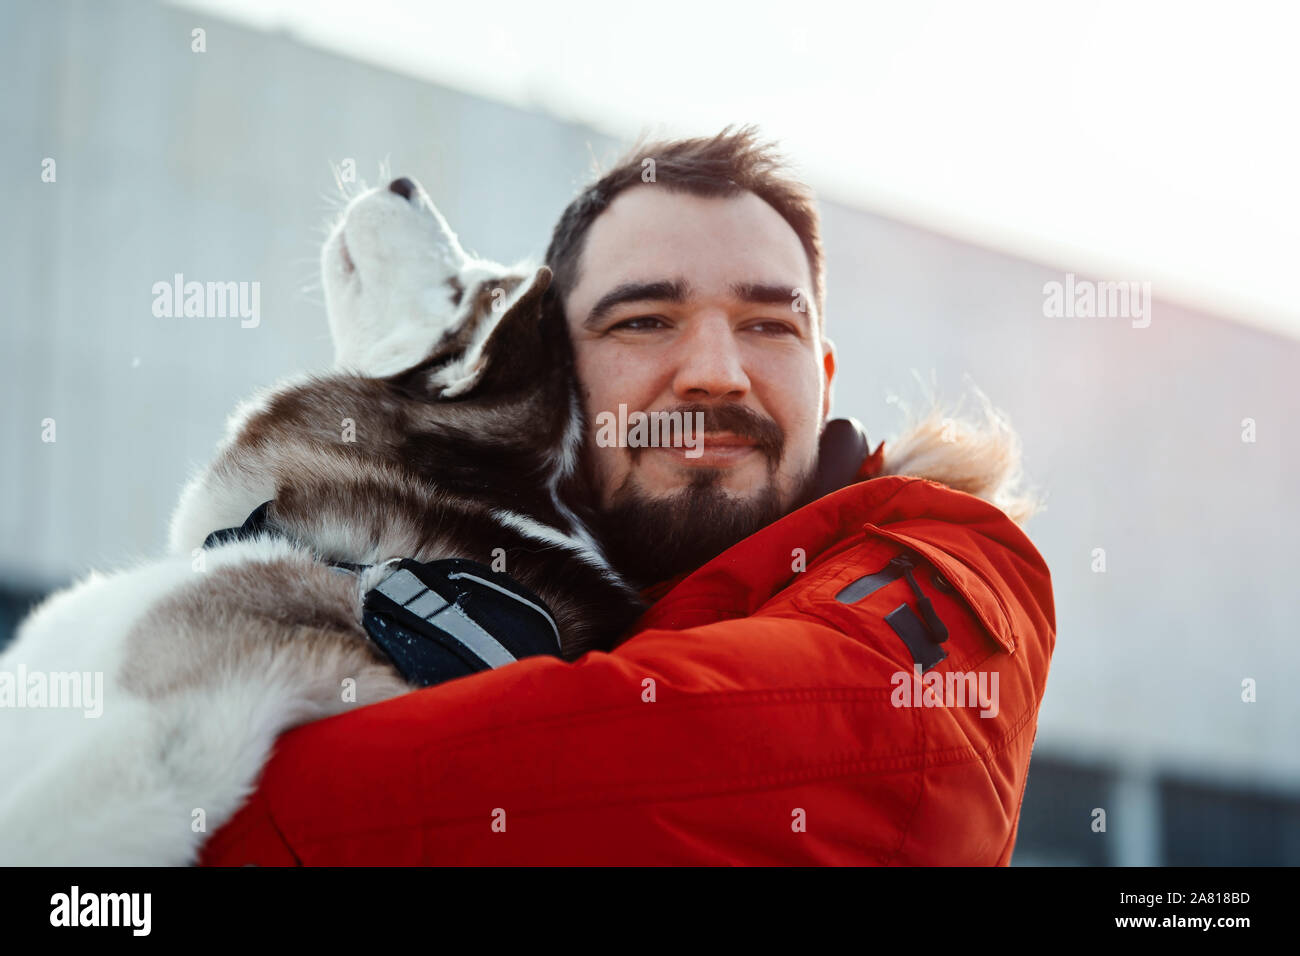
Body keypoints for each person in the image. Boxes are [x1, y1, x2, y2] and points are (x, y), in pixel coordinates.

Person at [200, 126, 1056, 865]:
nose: (717, 374)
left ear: (823, 381)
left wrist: (189, 795)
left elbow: (709, 754)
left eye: (769, 325)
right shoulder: (489, 602)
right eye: (644, 321)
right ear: (549, 380)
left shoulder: (943, 561)